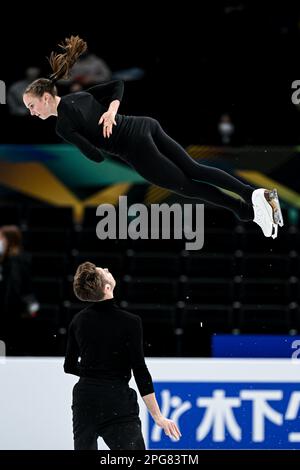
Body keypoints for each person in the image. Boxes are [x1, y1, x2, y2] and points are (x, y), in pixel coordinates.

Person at [22, 36, 283, 238]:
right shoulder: (77, 96)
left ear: (45, 98)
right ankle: (253, 194)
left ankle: (247, 211)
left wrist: (84, 145)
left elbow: (97, 157)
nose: (31, 113)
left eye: (32, 106)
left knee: (187, 186)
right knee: (194, 168)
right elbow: (117, 85)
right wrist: (112, 112)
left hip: (135, 148)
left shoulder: (63, 126)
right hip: (146, 125)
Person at [64, 261, 181, 450]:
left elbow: (69, 366)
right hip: (116, 401)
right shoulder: (131, 322)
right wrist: (158, 416)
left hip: (85, 400)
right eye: (104, 271)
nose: (108, 269)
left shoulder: (78, 321)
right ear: (107, 287)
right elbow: (140, 371)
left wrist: (93, 374)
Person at [0, 225, 39, 354]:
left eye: (1, 237)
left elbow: (14, 289)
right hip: (14, 312)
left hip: (12, 314)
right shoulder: (11, 260)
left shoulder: (16, 261)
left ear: (8, 240)